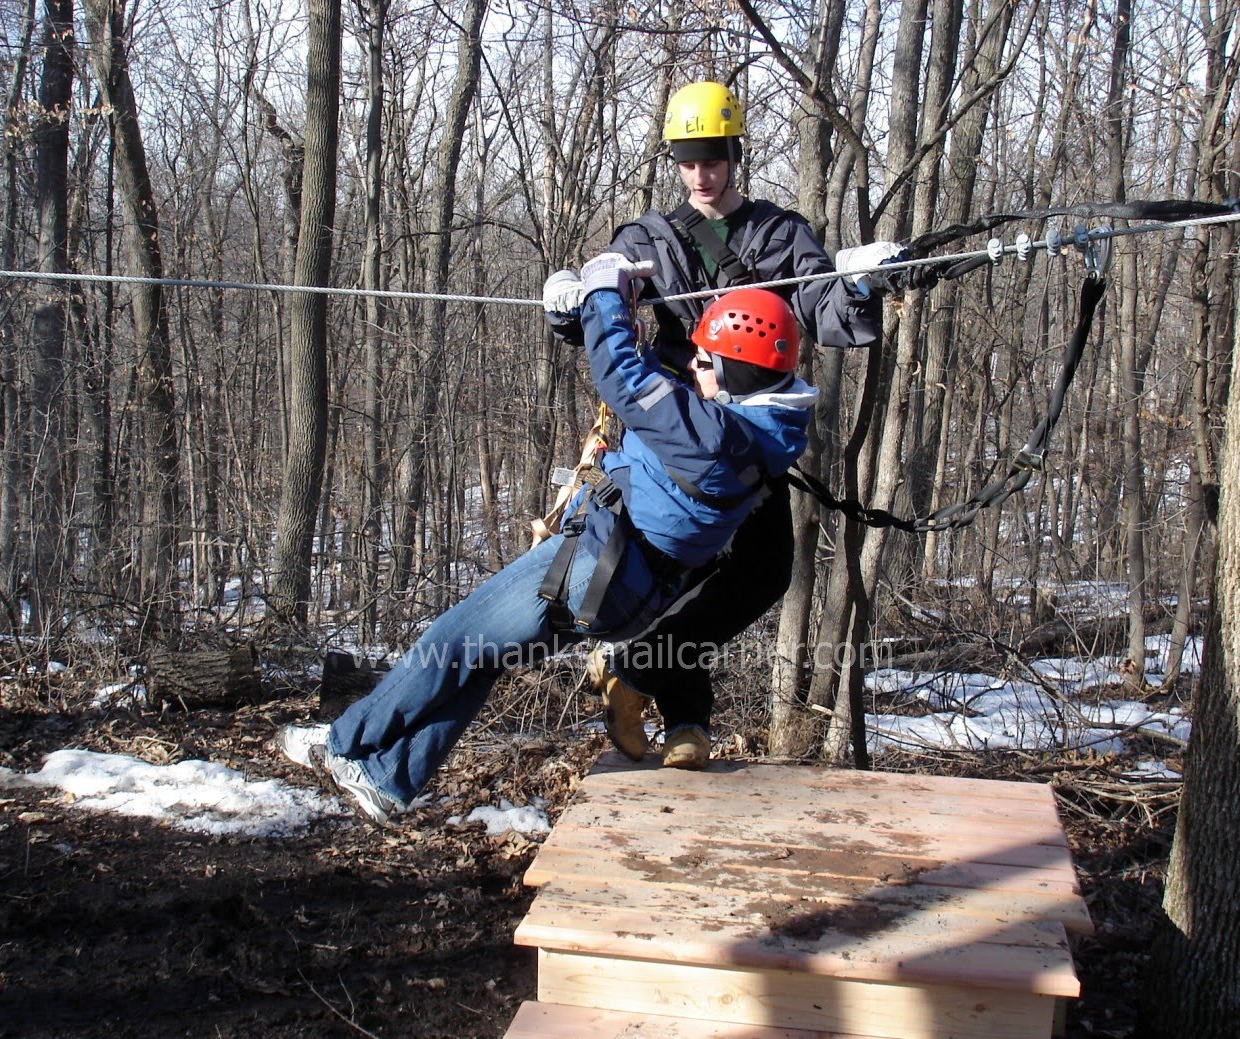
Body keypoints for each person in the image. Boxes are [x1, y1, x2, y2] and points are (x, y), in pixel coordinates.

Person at [280, 255, 818, 825]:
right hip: (619, 594)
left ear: (735, 374)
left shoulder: (713, 436)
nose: (695, 370)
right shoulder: (763, 430)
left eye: (708, 363)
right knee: (480, 657)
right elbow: (668, 374)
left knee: (452, 640)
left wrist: (602, 293)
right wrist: (598, 313)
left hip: (592, 567)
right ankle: (388, 778)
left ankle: (341, 745)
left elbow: (622, 375)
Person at [542, 80, 898, 769]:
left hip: (747, 436)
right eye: (687, 159)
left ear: (736, 153)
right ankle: (686, 721)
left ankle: (637, 669)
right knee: (675, 571)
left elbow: (824, 307)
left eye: (713, 157)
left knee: (762, 572)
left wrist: (858, 285)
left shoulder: (780, 234)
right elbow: (608, 308)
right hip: (672, 433)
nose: (701, 174)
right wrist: (571, 305)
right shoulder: (647, 238)